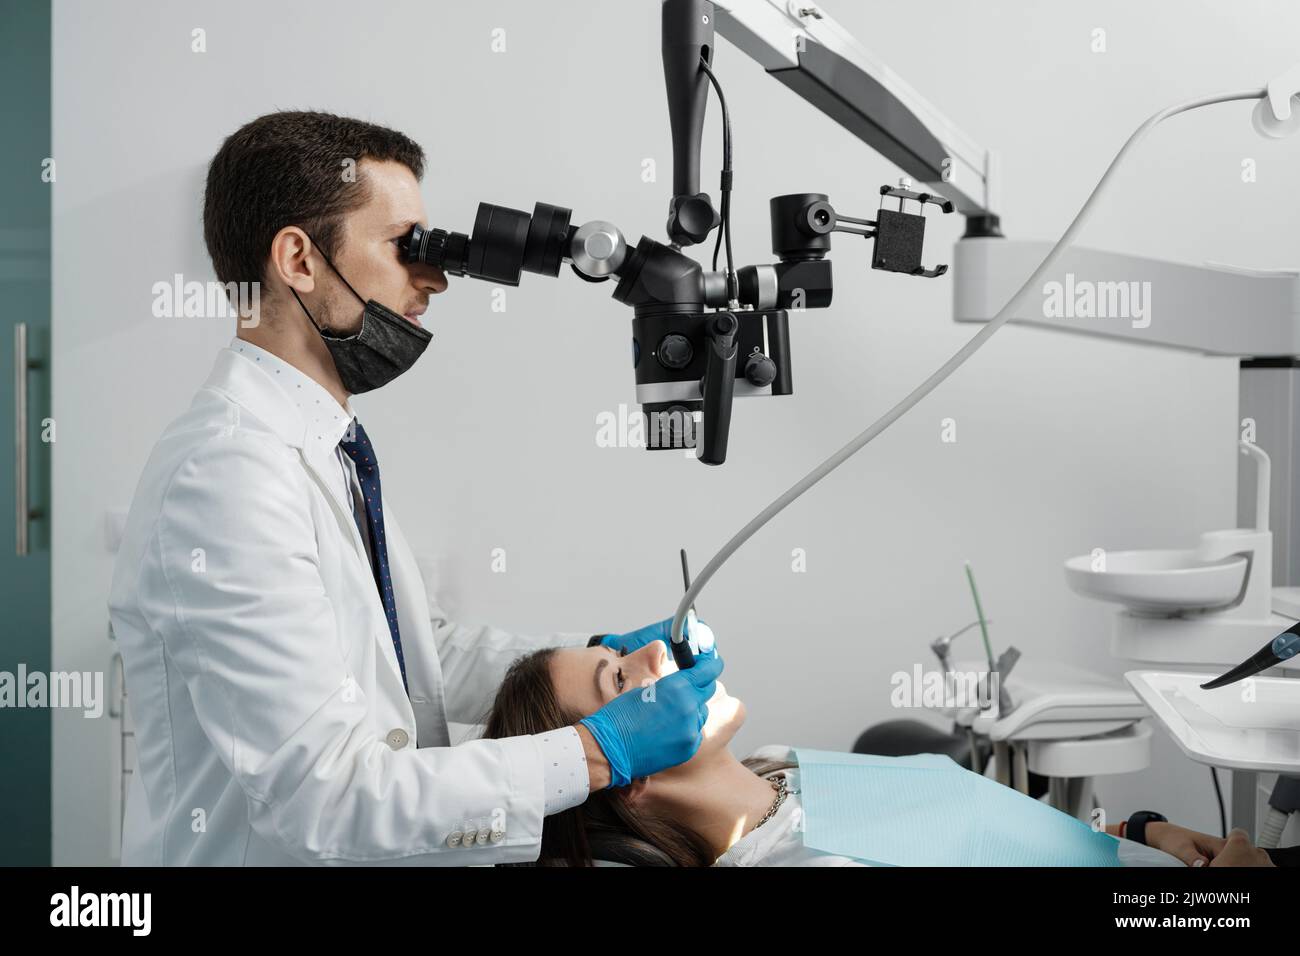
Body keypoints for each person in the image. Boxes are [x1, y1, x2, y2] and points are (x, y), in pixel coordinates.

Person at [107, 110, 722, 865]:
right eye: (407, 248)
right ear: (298, 260)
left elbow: (412, 655)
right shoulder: (226, 477)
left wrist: (595, 661)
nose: (433, 277)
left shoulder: (327, 446)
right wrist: (598, 753)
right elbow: (325, 798)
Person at [482, 639, 1282, 867]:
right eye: (622, 675)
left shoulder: (778, 769)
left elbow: (1001, 835)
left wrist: (1140, 835)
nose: (661, 652)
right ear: (621, 776)